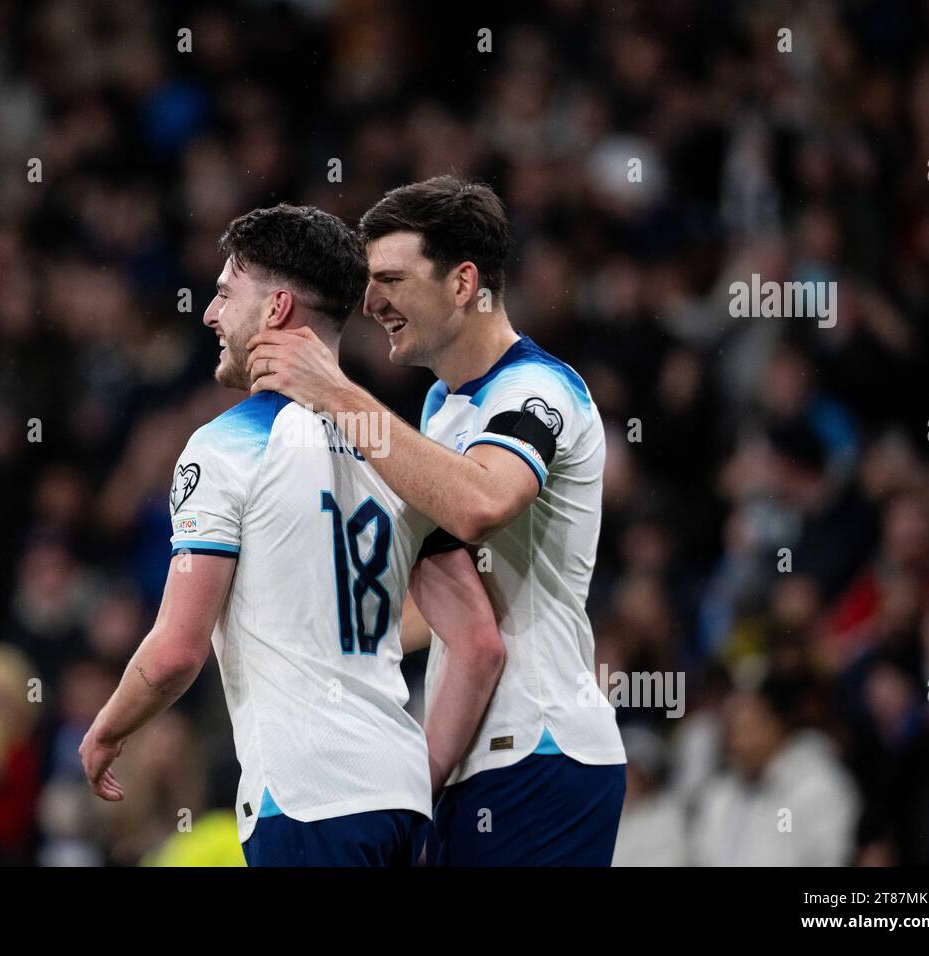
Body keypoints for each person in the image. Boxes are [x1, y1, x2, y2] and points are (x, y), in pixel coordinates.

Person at [80, 203, 504, 866]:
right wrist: (418, 776)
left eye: (224, 294)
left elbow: (175, 652)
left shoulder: (223, 448)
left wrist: (106, 729)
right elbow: (479, 643)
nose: (210, 314)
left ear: (277, 309)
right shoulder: (403, 453)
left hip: (305, 802)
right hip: (400, 798)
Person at [248, 177, 626, 865]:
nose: (371, 302)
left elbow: (479, 503)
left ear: (462, 284)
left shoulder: (538, 389)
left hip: (541, 749)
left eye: (391, 278)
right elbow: (452, 603)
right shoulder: (441, 411)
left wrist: (335, 394)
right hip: (478, 755)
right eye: (368, 281)